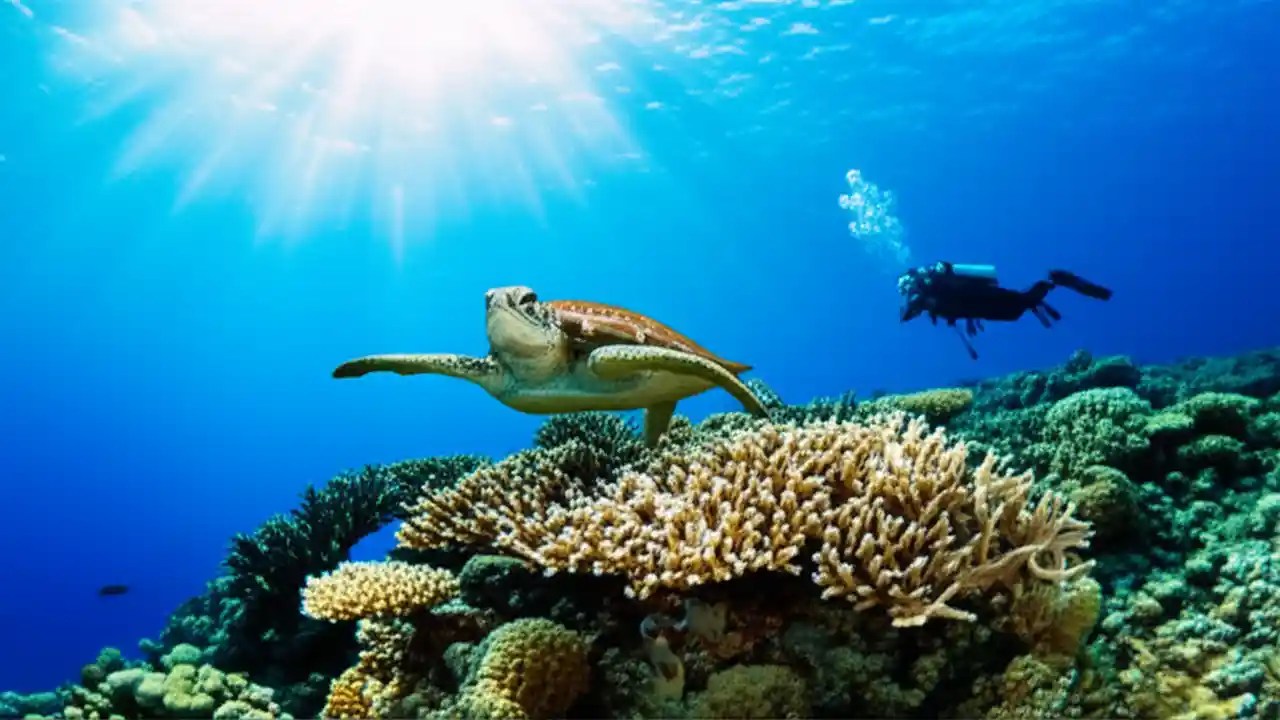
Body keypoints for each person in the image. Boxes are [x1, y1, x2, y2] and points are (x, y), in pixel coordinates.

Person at [896, 261, 1113, 359]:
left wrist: (910, 309)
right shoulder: (929, 297)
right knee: (1015, 311)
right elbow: (955, 309)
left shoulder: (921, 294)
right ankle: (1044, 288)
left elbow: (909, 311)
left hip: (981, 297)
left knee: (1019, 303)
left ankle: (1053, 279)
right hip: (979, 305)